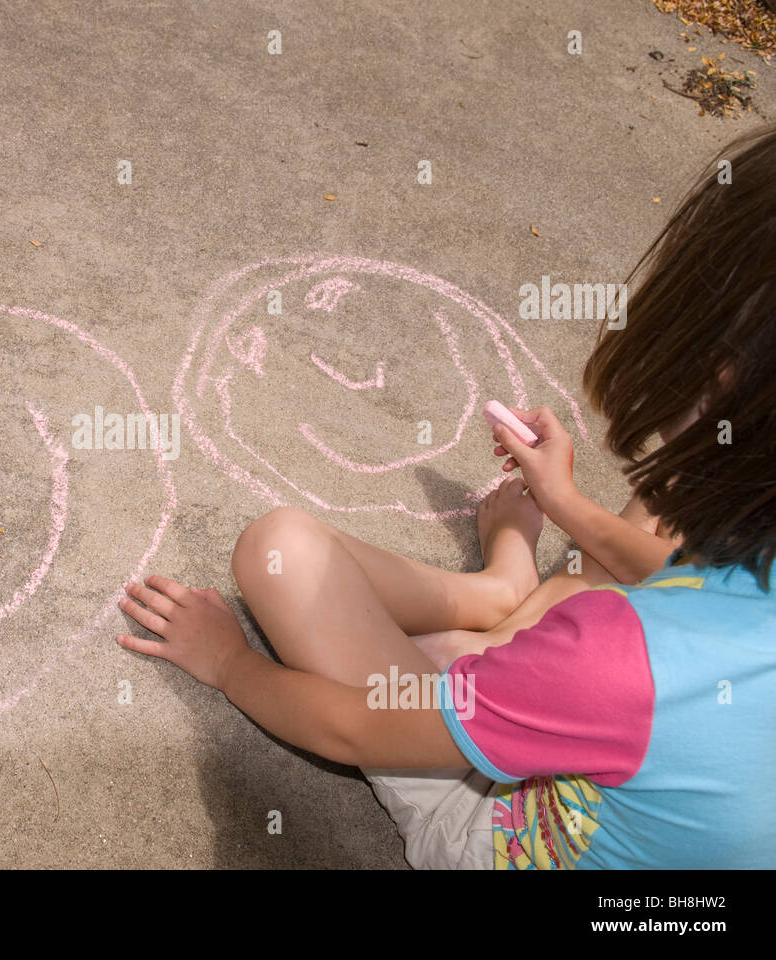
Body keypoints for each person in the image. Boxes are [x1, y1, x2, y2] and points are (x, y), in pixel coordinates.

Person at [116, 124, 776, 868]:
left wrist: (231, 664)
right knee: (688, 491)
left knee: (279, 553)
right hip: (630, 764)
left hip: (496, 819)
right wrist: (562, 506)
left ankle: (499, 611)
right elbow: (691, 582)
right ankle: (503, 602)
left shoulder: (612, 665)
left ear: (716, 366)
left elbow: (352, 730)